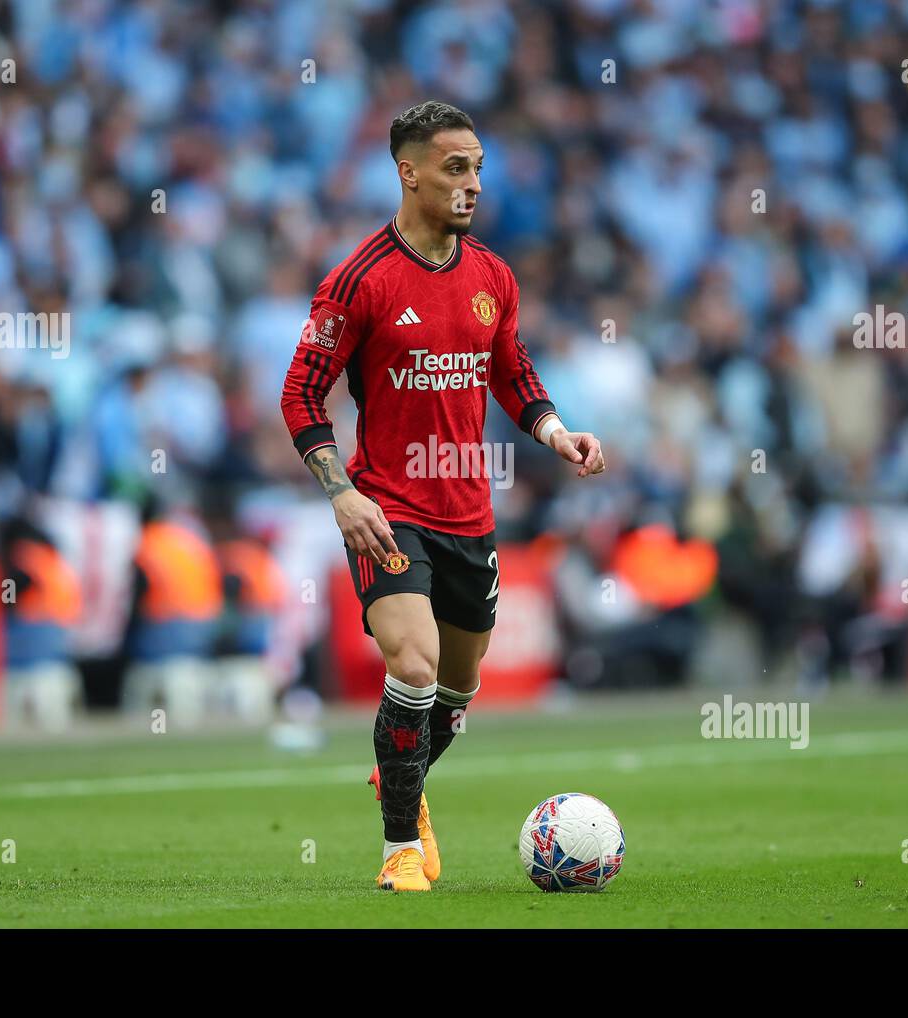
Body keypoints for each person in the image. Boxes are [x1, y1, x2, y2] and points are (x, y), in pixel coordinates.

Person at [280, 101, 605, 891]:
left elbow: (511, 371)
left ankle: (404, 774)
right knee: (415, 668)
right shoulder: (358, 281)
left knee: (456, 692)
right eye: (455, 168)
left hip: (472, 514)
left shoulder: (493, 275)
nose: (472, 185)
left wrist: (556, 431)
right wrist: (341, 496)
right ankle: (399, 848)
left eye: (479, 168)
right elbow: (300, 396)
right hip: (388, 507)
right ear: (409, 171)